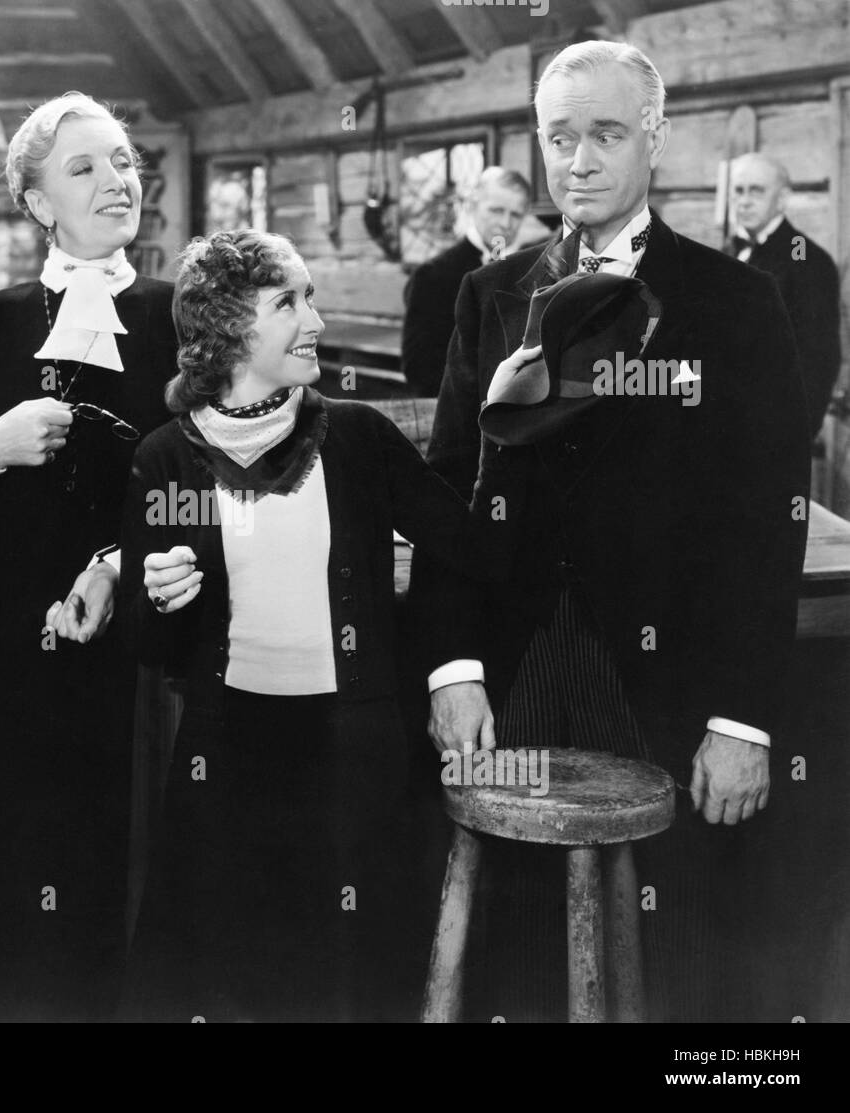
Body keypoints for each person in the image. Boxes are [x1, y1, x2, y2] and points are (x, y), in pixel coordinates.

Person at [422, 40, 810, 1021]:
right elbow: (445, 495)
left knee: (668, 956)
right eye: (559, 138)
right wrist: (452, 667)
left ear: (652, 139)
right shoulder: (488, 294)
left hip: (667, 680)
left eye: (604, 135)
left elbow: (766, 521)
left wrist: (742, 718)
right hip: (515, 670)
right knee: (515, 954)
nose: (579, 161)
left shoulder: (734, 303)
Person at [118, 229, 511, 1021]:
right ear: (228, 328)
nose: (316, 320)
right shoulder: (168, 458)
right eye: (288, 302)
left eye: (311, 298)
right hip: (224, 762)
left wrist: (507, 419)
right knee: (237, 983)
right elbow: (148, 648)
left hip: (353, 756)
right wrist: (157, 598)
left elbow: (473, 546)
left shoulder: (358, 439)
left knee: (351, 984)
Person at [0, 93, 178, 1021]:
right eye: (83, 169)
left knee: (106, 873)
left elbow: (213, 492)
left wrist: (121, 565)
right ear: (38, 202)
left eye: (123, 162)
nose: (115, 182)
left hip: (123, 648)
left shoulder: (183, 317)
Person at [728, 151, 843, 438]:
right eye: (738, 191)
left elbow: (818, 360)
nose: (744, 200)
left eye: (756, 190)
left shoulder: (803, 255)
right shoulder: (730, 253)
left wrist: (796, 435)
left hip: (774, 431)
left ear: (781, 199)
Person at [400, 167, 531, 396]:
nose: (505, 223)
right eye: (496, 210)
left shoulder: (530, 271)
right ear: (473, 207)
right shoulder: (432, 276)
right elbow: (418, 369)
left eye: (515, 214)